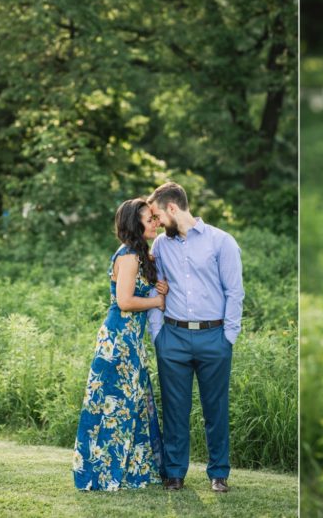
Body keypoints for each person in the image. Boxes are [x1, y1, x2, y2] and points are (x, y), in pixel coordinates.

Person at [146, 182, 244, 493]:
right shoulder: (161, 246)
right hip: (172, 337)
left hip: (214, 337)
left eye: (159, 215)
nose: (158, 222)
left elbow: (234, 292)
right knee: (174, 409)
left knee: (215, 409)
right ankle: (174, 473)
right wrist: (157, 333)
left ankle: (219, 473)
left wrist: (228, 336)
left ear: (172, 208)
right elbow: (155, 287)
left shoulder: (221, 242)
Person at [73, 198, 167, 490]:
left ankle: (130, 470)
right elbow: (125, 301)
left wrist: (157, 286)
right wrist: (157, 300)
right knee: (114, 405)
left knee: (131, 405)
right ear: (133, 223)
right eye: (149, 218)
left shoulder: (140, 255)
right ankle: (99, 474)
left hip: (131, 341)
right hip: (118, 340)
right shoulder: (128, 256)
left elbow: (139, 288)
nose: (156, 222)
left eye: (155, 217)